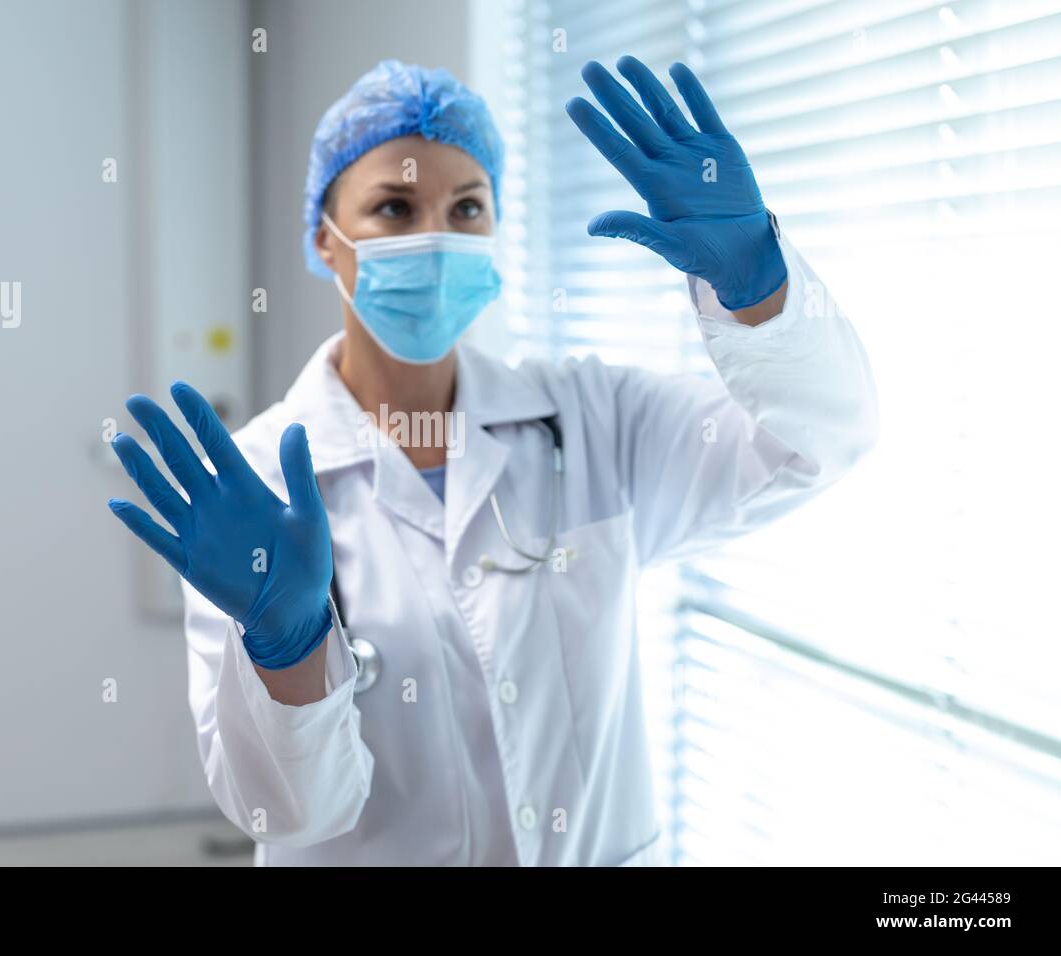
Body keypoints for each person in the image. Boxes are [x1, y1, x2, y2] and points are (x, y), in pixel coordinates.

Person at [106, 57, 878, 866]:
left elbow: (818, 442)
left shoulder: (591, 420)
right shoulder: (255, 486)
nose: (434, 238)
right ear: (323, 240)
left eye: (466, 207)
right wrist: (289, 651)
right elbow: (289, 815)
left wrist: (758, 286)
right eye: (394, 207)